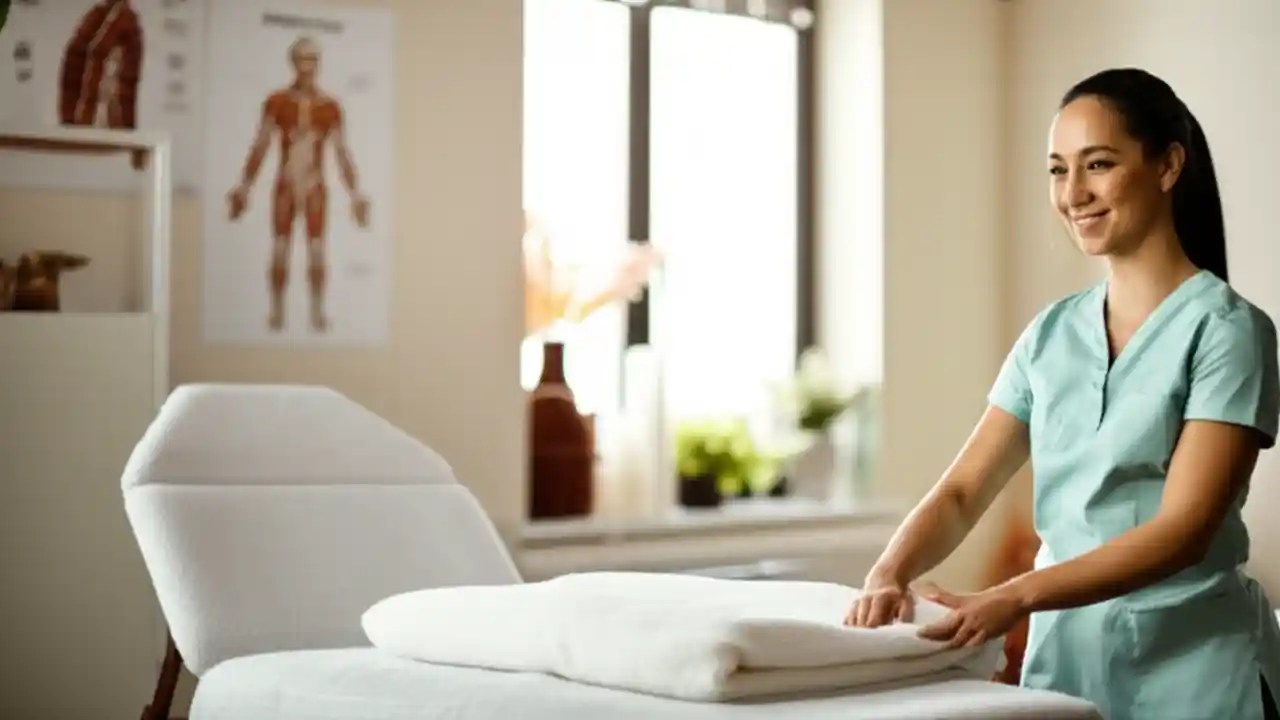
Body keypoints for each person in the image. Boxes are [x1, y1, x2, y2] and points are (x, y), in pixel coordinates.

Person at [844, 67, 1280, 720]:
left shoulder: (1229, 331)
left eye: (1098, 164)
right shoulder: (1050, 334)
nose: (1073, 192)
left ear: (1167, 166)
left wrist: (1014, 595)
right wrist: (888, 571)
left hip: (1198, 675)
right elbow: (964, 492)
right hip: (1067, 669)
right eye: (1056, 169)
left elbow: (1183, 531)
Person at [227, 35, 370, 333]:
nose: (308, 66)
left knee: (317, 248)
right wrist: (244, 186)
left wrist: (356, 193)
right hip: (286, 182)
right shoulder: (277, 102)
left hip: (315, 185)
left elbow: (342, 152)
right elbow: (262, 145)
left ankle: (317, 312)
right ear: (293, 62)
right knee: (280, 247)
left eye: (313, 59)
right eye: (303, 59)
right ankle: (276, 312)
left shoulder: (330, 107)